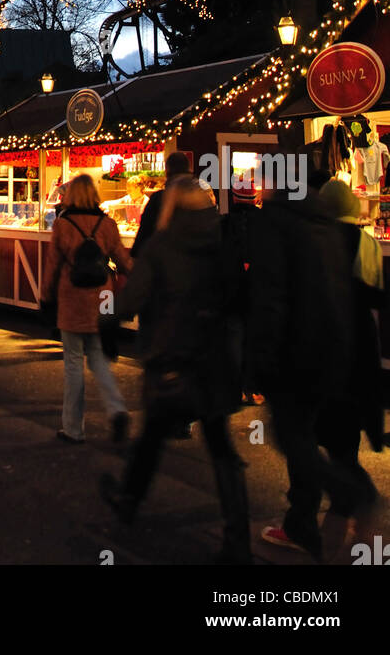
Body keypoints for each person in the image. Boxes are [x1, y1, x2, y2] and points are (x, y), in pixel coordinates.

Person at [101, 176, 251, 563]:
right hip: (215, 358)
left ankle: (129, 499)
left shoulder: (163, 246)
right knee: (221, 448)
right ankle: (238, 538)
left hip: (172, 357)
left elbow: (131, 299)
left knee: (152, 435)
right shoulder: (223, 242)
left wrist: (107, 321)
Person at [247, 168, 359, 561]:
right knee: (302, 434)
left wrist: (259, 359)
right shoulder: (324, 224)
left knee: (292, 435)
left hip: (294, 351)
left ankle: (338, 495)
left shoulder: (275, 225)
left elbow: (270, 298)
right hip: (328, 348)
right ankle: (303, 521)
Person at [315, 178, 384, 554]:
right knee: (345, 443)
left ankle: (346, 519)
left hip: (330, 358)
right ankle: (346, 529)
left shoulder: (319, 243)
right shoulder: (368, 243)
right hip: (361, 351)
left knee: (325, 445)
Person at [41, 173, 132, 445]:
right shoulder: (107, 224)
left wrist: (46, 297)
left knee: (73, 363)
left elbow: (53, 265)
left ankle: (73, 428)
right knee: (99, 358)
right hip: (103, 295)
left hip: (73, 296)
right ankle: (117, 409)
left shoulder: (63, 224)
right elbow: (123, 259)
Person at [131, 151, 191, 258]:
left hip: (167, 261)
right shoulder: (202, 195)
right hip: (195, 265)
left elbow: (144, 234)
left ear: (167, 172)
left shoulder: (159, 198)